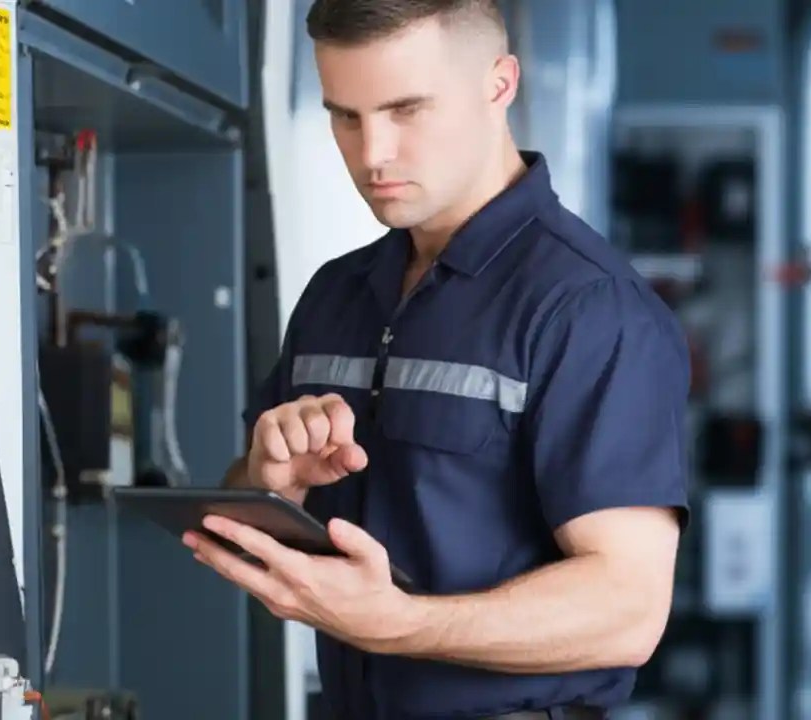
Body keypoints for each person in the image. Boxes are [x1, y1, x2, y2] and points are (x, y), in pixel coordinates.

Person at [180, 1, 692, 717]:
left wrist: (400, 624)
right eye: (346, 116)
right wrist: (271, 488)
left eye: (406, 110)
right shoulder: (337, 293)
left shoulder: (588, 309)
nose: (372, 153)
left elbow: (627, 611)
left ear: (499, 84)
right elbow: (254, 510)